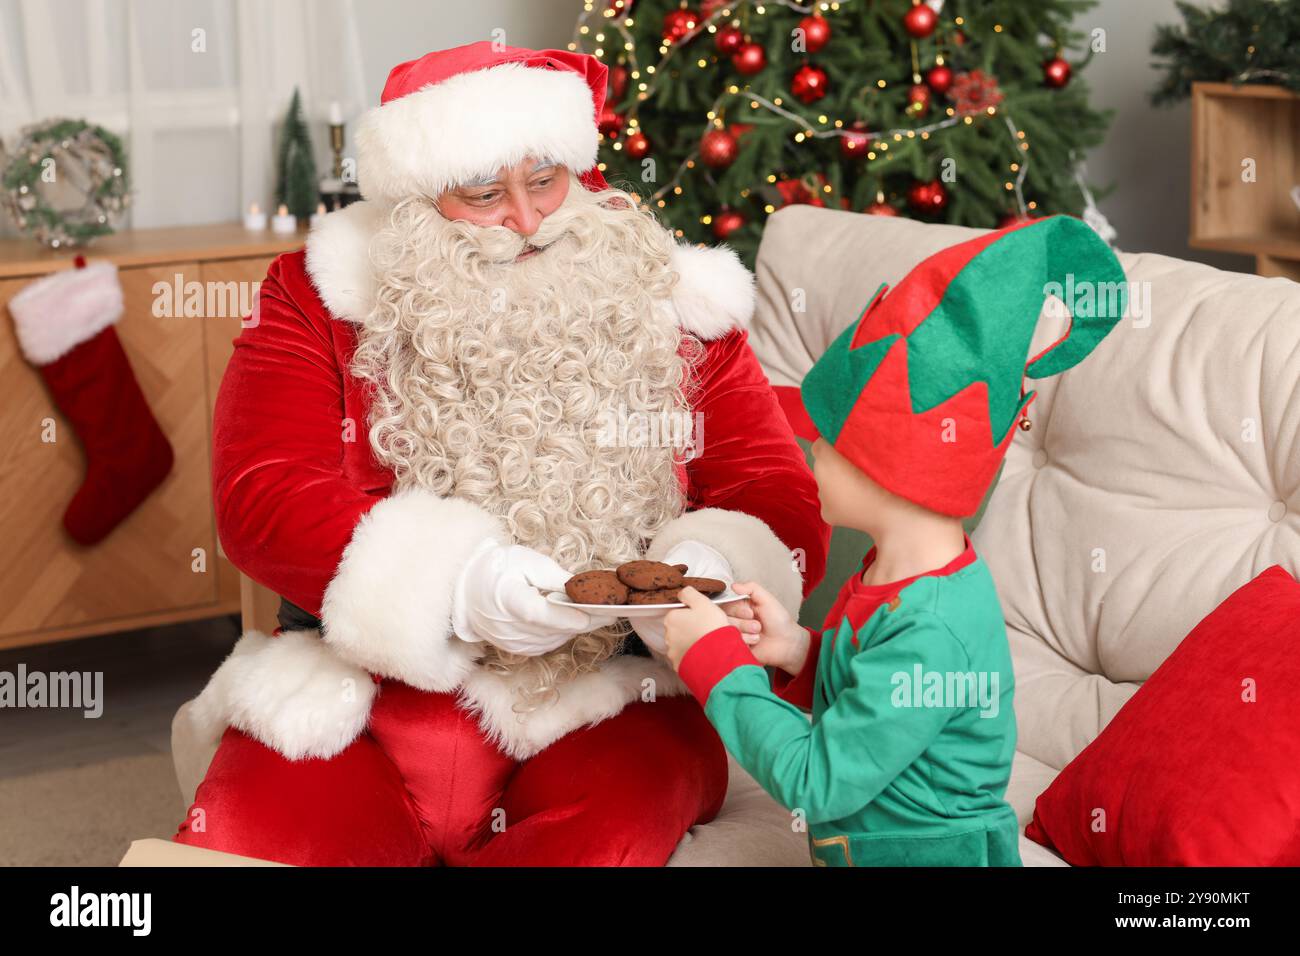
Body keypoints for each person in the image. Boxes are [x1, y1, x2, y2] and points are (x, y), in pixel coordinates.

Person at [170, 41, 828, 867]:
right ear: (417, 197)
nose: (526, 219)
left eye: (546, 179)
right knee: (252, 832)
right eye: (483, 193)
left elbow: (773, 489)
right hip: (365, 696)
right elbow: (260, 495)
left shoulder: (674, 297)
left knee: (606, 836)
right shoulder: (314, 295)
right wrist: (460, 588)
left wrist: (699, 569)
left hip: (614, 695)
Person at [662, 215, 1128, 866]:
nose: (813, 448)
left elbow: (816, 782)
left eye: (832, 440)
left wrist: (719, 667)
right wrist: (799, 650)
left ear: (898, 474)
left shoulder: (932, 630)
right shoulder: (897, 574)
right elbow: (877, 690)